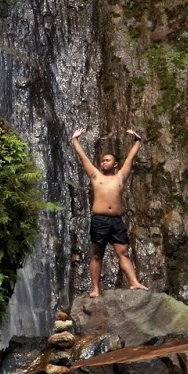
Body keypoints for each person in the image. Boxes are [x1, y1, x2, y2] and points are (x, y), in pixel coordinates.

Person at [71, 126, 147, 297]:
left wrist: (137, 141)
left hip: (116, 221)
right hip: (99, 220)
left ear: (115, 164)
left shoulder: (120, 176)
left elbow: (130, 158)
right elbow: (83, 158)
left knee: (124, 252)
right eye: (102, 160)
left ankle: (134, 282)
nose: (103, 162)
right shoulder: (96, 176)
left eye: (107, 160)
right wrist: (75, 140)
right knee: (97, 254)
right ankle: (96, 288)